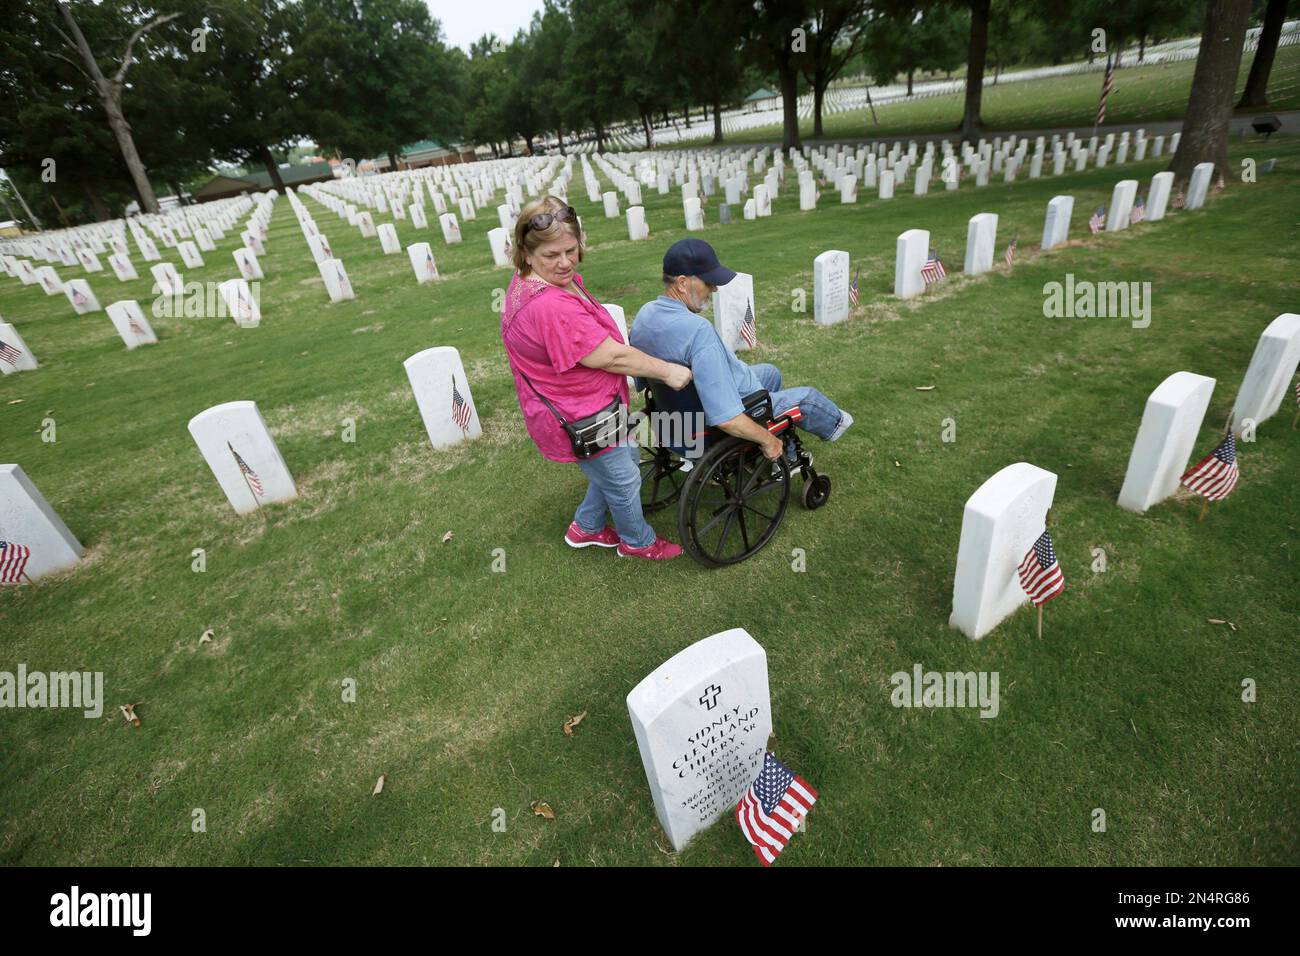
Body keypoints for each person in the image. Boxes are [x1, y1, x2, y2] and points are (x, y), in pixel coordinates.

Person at [500, 196, 692, 561]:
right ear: (526, 254)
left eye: (570, 250)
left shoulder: (536, 283)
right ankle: (638, 542)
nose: (565, 262)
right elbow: (611, 356)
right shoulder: (549, 305)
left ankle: (585, 528)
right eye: (551, 256)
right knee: (623, 479)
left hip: (585, 402)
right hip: (581, 412)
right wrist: (669, 370)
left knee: (616, 465)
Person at [629, 238, 853, 464]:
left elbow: (644, 380)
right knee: (808, 399)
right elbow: (726, 417)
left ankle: (784, 443)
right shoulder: (698, 331)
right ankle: (833, 426)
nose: (715, 288)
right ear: (682, 283)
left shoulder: (645, 315)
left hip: (674, 418)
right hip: (723, 412)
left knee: (771, 373)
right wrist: (767, 440)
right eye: (708, 282)